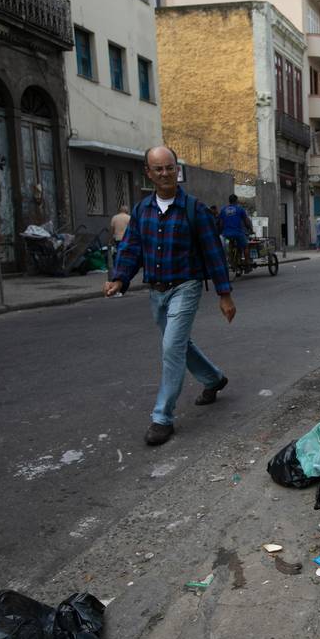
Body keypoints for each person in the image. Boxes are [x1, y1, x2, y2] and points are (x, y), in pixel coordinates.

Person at [104, 146, 237, 447]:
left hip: (186, 287)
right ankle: (214, 379)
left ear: (177, 170)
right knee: (178, 345)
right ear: (148, 173)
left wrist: (224, 294)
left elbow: (213, 252)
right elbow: (132, 248)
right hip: (156, 292)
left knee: (171, 349)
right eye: (158, 169)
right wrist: (119, 278)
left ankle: (162, 418)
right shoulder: (141, 211)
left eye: (170, 168)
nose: (165, 173)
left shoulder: (194, 209)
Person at [218, 194, 253, 267]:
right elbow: (246, 221)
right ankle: (247, 264)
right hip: (238, 233)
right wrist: (250, 229)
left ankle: (231, 258)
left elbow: (221, 224)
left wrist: (221, 232)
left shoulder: (223, 209)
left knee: (230, 243)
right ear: (236, 201)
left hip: (226, 234)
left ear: (229, 201)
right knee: (245, 247)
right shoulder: (240, 209)